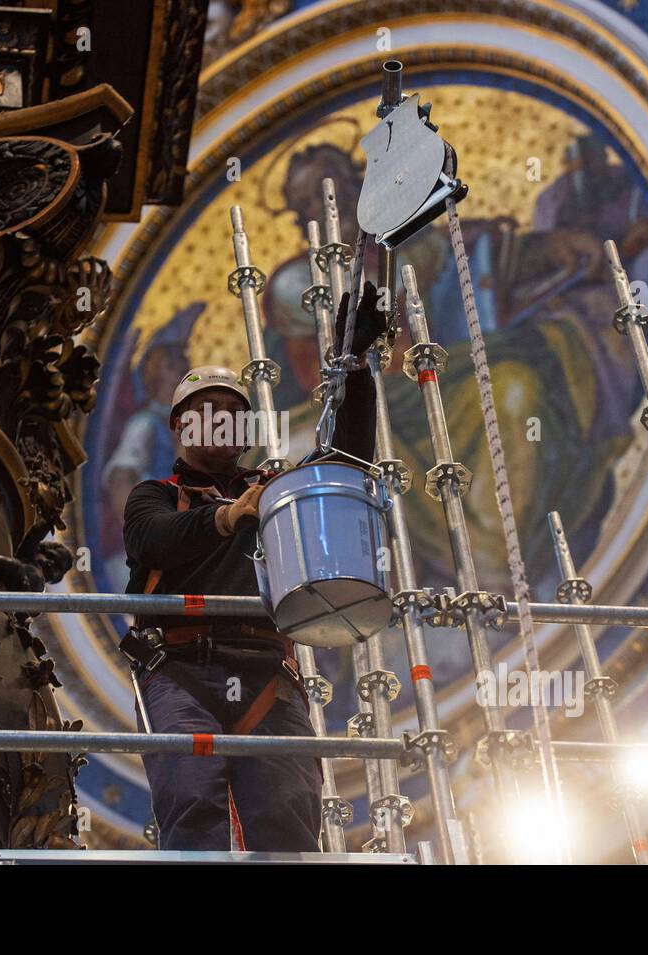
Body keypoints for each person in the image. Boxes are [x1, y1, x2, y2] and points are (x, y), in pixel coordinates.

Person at [119, 282, 383, 851]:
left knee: (289, 813)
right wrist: (227, 516)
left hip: (266, 670)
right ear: (179, 428)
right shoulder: (154, 496)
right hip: (178, 666)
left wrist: (356, 365)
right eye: (204, 412)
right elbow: (152, 542)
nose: (218, 421)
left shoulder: (277, 492)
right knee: (190, 806)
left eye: (231, 414)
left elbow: (347, 458)